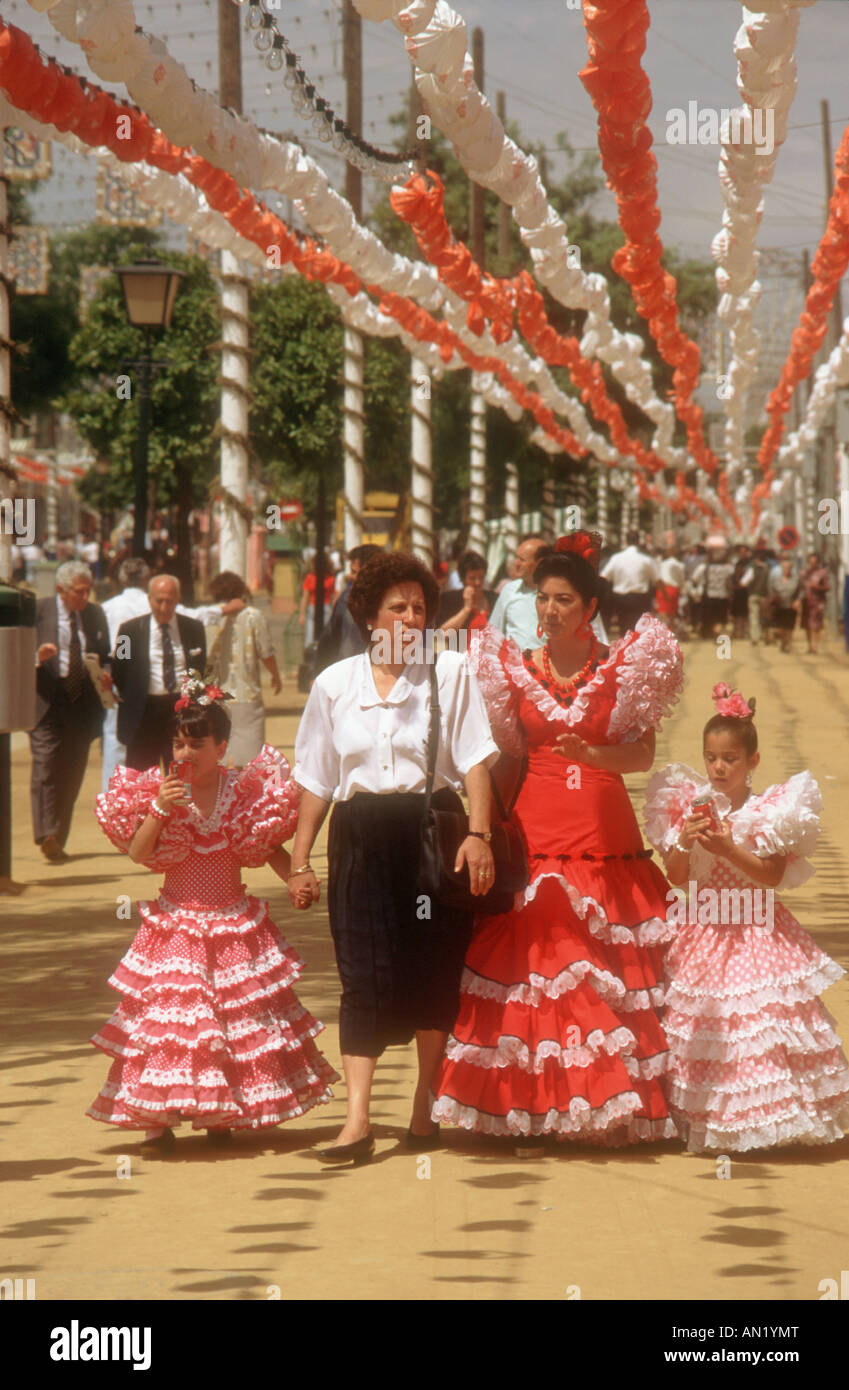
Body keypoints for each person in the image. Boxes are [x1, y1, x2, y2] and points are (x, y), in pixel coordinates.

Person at [431, 532, 684, 1152]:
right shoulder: (511, 667)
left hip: (606, 838)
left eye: (563, 600)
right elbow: (502, 761)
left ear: (590, 607)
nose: (549, 610)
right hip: (538, 835)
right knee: (538, 969)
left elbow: (644, 753)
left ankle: (612, 1105)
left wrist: (591, 752)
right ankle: (534, 1108)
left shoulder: (626, 665)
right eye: (542, 598)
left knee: (606, 972)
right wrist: (484, 830)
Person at [290, 551, 499, 1164]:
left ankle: (425, 1104)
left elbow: (476, 761)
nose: (411, 617)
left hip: (431, 834)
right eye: (397, 607)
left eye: (419, 607)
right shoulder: (334, 684)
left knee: (431, 964)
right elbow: (317, 779)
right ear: (368, 615)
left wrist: (478, 836)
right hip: (358, 837)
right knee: (361, 970)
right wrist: (300, 861)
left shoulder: (451, 671)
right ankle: (357, 1121)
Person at [88, 679, 338, 1151]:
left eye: (196, 744)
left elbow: (266, 848)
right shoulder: (162, 793)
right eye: (178, 743)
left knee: (230, 1022)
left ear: (221, 746)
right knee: (170, 1023)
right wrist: (159, 810)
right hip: (176, 925)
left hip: (233, 925)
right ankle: (155, 1121)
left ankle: (222, 1112)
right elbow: (141, 854)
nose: (184, 753)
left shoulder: (242, 792)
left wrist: (295, 876)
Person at [644, 684, 849, 1152]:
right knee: (707, 1025)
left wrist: (729, 848)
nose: (719, 768)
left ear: (752, 762)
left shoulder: (769, 813)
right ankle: (707, 1116)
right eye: (711, 757)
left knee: (758, 1022)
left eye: (730, 759)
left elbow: (772, 876)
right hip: (702, 931)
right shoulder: (690, 809)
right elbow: (677, 879)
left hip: (756, 930)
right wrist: (686, 842)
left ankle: (766, 1118)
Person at [31, 561, 112, 864]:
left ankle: (57, 838)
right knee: (46, 765)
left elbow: (111, 652)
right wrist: (35, 658)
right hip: (47, 700)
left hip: (82, 702)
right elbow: (12, 646)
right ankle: (47, 833)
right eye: (79, 592)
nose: (85, 596)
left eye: (87, 590)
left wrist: (108, 671)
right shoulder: (39, 611)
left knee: (72, 772)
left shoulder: (95, 614)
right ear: (60, 590)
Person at [112, 574, 206, 772]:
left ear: (178, 599)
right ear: (149, 599)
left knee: (182, 774)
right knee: (141, 778)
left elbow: (200, 669)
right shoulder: (128, 631)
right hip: (143, 713)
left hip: (180, 711)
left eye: (170, 602)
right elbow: (118, 669)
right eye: (159, 601)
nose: (164, 608)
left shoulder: (194, 629)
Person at [204, 571, 282, 767]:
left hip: (216, 695)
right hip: (247, 694)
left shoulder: (210, 617)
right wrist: (275, 675)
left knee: (220, 756)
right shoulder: (253, 616)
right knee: (249, 761)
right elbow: (266, 652)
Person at [100, 558, 152, 792]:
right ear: (146, 579)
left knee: (114, 734)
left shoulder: (109, 606)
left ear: (121, 579)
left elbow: (117, 648)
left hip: (117, 669)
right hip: (147, 675)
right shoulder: (153, 604)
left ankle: (113, 792)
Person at [311, 543, 383, 677]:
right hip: (348, 678)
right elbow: (328, 639)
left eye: (354, 572)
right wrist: (317, 674)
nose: (350, 576)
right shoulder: (347, 599)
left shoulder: (394, 604)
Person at [489, 535, 550, 648]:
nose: (516, 564)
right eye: (517, 558)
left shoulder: (556, 595)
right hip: (514, 663)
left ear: (540, 563)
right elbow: (493, 634)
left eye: (522, 560)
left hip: (547, 663)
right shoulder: (509, 590)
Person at [600, 529, 659, 634]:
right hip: (641, 599)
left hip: (621, 599)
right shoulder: (646, 559)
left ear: (626, 541)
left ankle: (625, 648)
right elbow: (657, 580)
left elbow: (604, 576)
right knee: (639, 629)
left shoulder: (616, 558)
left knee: (624, 628)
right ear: (638, 542)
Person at [437, 549, 496, 635]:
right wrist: (466, 609)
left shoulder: (493, 598)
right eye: (472, 578)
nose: (478, 582)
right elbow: (441, 635)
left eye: (481, 577)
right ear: (463, 579)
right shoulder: (449, 599)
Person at [691, 542, 734, 638]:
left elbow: (694, 579)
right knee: (720, 617)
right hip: (723, 595)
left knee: (708, 616)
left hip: (708, 596)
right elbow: (730, 582)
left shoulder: (703, 567)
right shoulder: (728, 568)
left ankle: (709, 632)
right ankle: (717, 632)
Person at [299, 554, 336, 645]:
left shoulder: (330, 578)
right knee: (310, 636)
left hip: (324, 608)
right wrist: (302, 614)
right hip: (316, 608)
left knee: (324, 636)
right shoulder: (311, 578)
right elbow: (305, 597)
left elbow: (334, 597)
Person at [768, 555, 801, 653]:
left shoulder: (795, 579)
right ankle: (783, 641)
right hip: (779, 606)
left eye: (788, 568)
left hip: (791, 606)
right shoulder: (776, 579)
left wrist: (798, 600)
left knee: (790, 626)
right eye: (784, 568)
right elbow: (771, 590)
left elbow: (801, 591)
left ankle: (788, 643)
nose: (786, 569)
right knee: (781, 627)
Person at [800, 551, 830, 655]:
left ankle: (814, 645)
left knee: (816, 624)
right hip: (806, 602)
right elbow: (800, 587)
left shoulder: (822, 573)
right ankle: (809, 645)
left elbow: (827, 587)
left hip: (818, 602)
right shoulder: (804, 573)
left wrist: (816, 587)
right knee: (807, 624)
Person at [655, 539, 685, 630]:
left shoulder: (662, 564)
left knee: (662, 613)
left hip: (663, 588)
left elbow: (658, 577)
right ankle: (672, 633)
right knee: (672, 614)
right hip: (674, 589)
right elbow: (681, 580)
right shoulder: (680, 565)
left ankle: (662, 634)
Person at [746, 544, 772, 646]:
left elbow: (744, 582)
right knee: (765, 617)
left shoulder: (752, 569)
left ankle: (755, 637)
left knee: (754, 617)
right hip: (765, 596)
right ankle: (766, 636)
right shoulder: (769, 570)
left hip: (753, 595)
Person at [730, 546, 752, 639]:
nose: (742, 554)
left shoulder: (749, 564)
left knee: (744, 613)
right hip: (735, 591)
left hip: (745, 591)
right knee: (735, 613)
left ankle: (743, 632)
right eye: (741, 552)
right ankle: (735, 631)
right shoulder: (735, 563)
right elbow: (731, 576)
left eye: (744, 552)